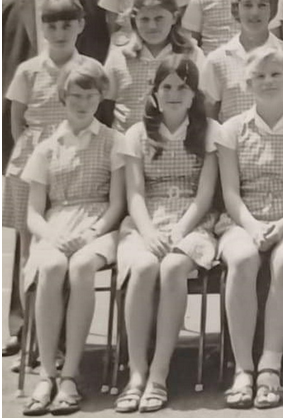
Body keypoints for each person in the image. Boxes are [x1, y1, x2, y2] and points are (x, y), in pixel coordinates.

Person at [3, 0, 110, 357]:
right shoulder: (6, 8)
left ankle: (64, 333)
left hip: (82, 146)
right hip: (30, 149)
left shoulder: (94, 4)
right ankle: (23, 326)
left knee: (70, 235)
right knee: (26, 240)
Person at [215, 46, 283, 409]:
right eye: (260, 76)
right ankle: (243, 369)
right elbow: (231, 193)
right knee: (244, 259)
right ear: (248, 83)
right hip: (243, 218)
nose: (268, 82)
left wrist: (281, 226)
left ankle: (270, 366)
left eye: (276, 74)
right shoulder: (232, 130)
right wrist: (251, 226)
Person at [113, 57, 220, 413]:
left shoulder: (208, 131)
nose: (174, 94)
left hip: (192, 220)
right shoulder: (136, 134)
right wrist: (148, 230)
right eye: (167, 87)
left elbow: (204, 196)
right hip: (147, 219)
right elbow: (135, 194)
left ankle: (159, 373)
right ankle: (137, 373)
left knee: (174, 267)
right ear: (155, 94)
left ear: (194, 95)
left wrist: (178, 230)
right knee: (143, 267)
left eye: (183, 87)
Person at [20, 62, 125, 416]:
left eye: (90, 96)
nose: (82, 103)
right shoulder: (46, 146)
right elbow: (33, 211)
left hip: (99, 226)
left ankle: (70, 373)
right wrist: (52, 235)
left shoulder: (114, 141)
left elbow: (117, 204)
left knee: (81, 267)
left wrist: (92, 233)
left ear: (101, 97)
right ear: (63, 97)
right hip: (57, 225)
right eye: (75, 96)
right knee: (50, 265)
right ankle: (47, 372)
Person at [200, 0, 283, 122]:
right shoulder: (217, 61)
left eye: (262, 5)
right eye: (248, 5)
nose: (255, 12)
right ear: (236, 8)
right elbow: (210, 120)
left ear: (273, 9)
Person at [106, 0, 205, 131]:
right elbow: (105, 105)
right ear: (134, 19)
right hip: (127, 143)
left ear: (174, 17)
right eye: (144, 19)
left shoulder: (191, 54)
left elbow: (203, 101)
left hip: (176, 144)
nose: (152, 26)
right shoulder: (119, 56)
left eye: (159, 18)